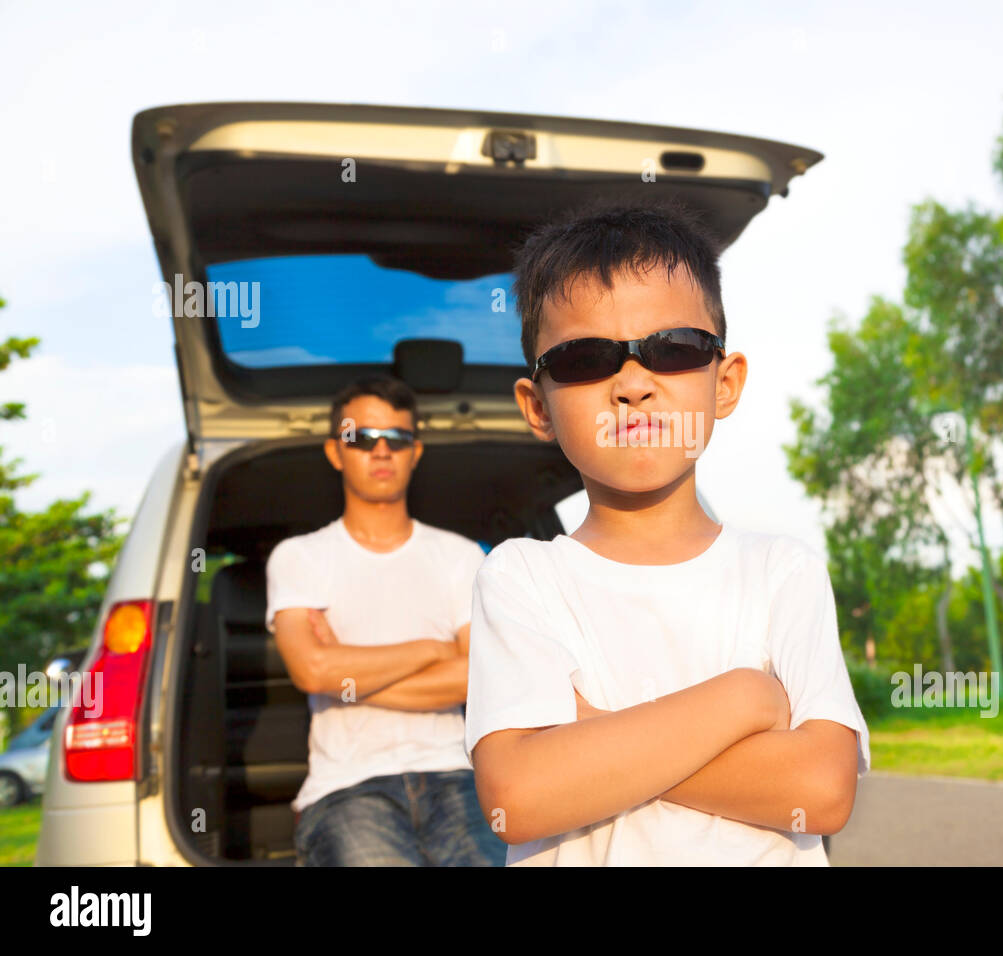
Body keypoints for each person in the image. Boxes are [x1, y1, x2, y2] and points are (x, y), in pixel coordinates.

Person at [465, 198, 870, 866]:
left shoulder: (782, 571)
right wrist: (746, 697)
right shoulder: (520, 577)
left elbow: (821, 790)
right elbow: (521, 796)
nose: (632, 384)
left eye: (674, 349)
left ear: (726, 383)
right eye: (584, 358)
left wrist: (591, 738)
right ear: (537, 406)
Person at [265, 375, 506, 866]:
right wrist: (433, 650)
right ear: (336, 451)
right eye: (362, 438)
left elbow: (480, 676)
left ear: (414, 452)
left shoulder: (459, 557)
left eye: (396, 438)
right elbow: (312, 671)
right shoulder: (298, 557)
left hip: (458, 777)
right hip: (346, 789)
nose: (380, 451)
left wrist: (345, 673)